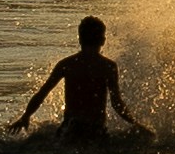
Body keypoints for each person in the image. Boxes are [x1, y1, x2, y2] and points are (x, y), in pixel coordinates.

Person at [14, 15, 150, 143]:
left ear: (79, 39)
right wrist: (135, 123)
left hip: (70, 130)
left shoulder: (67, 64)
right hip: (96, 131)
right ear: (103, 40)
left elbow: (42, 94)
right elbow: (116, 103)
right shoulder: (108, 66)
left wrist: (25, 116)